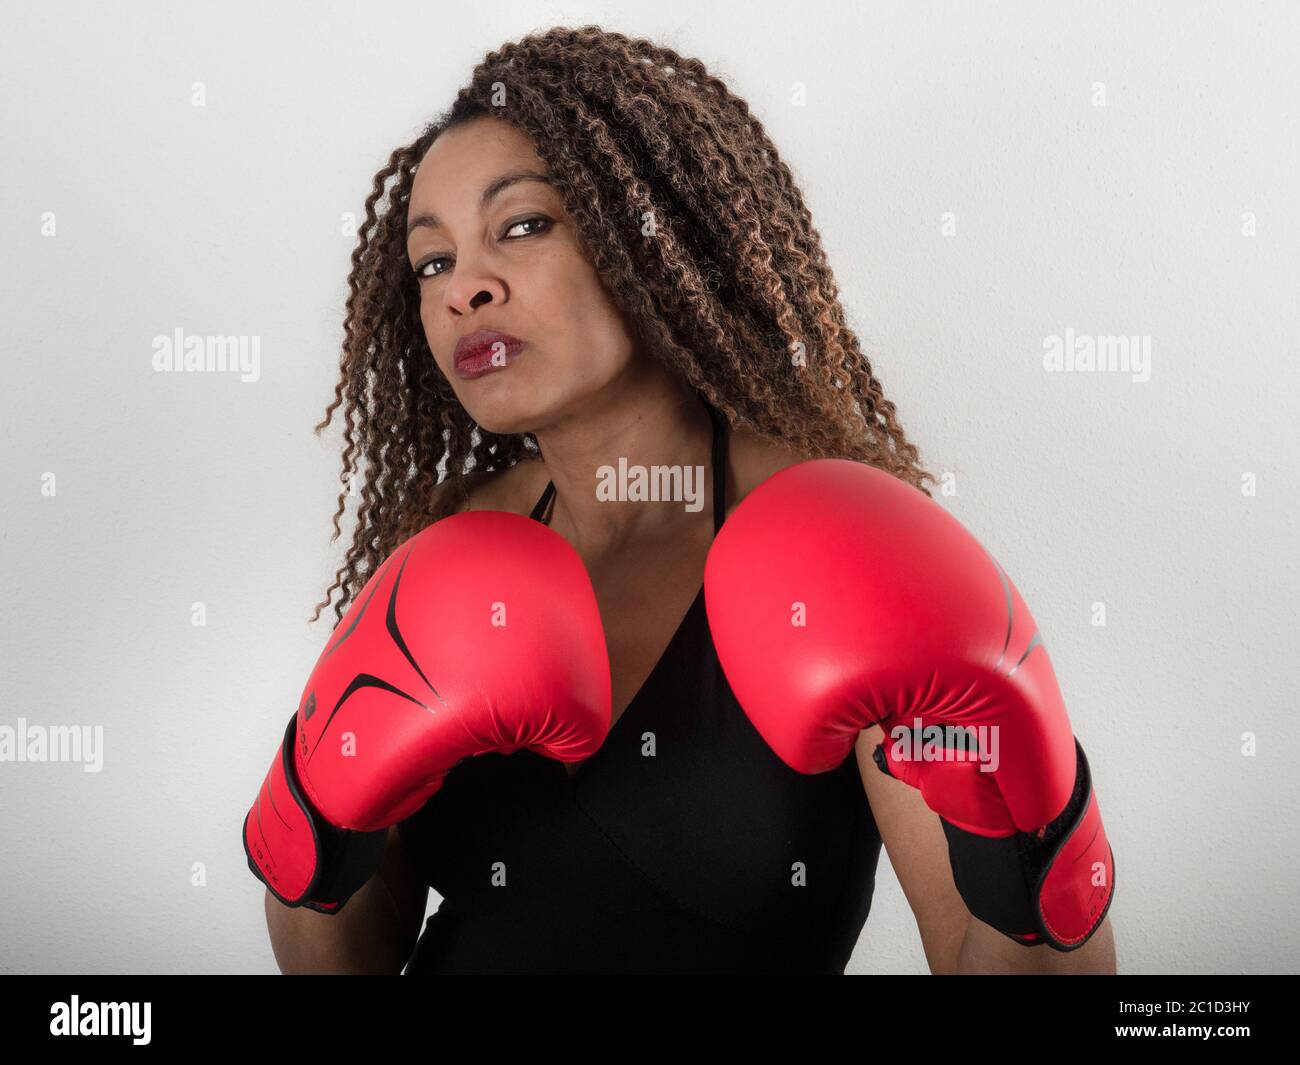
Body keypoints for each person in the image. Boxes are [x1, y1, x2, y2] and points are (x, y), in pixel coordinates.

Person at [249, 25, 1117, 974]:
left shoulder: (836, 546)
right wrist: (311, 804)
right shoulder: (454, 543)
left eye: (523, 225)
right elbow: (338, 963)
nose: (466, 290)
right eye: (433, 262)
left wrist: (1034, 838)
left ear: (653, 232)